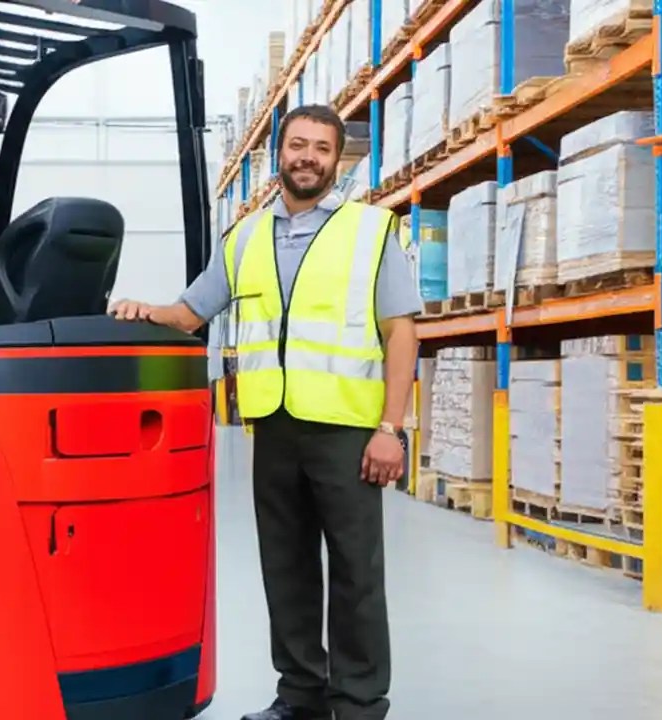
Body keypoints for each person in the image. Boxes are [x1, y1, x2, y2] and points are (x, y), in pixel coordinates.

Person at [108, 104, 421, 720]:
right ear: (280, 153)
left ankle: (359, 705)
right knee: (286, 566)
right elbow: (190, 312)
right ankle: (300, 697)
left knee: (356, 574)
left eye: (322, 148)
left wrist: (391, 429)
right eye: (298, 145)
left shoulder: (370, 230)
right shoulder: (246, 235)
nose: (308, 158)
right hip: (274, 428)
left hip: (347, 431)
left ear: (337, 160)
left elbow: (401, 332)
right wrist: (145, 310)